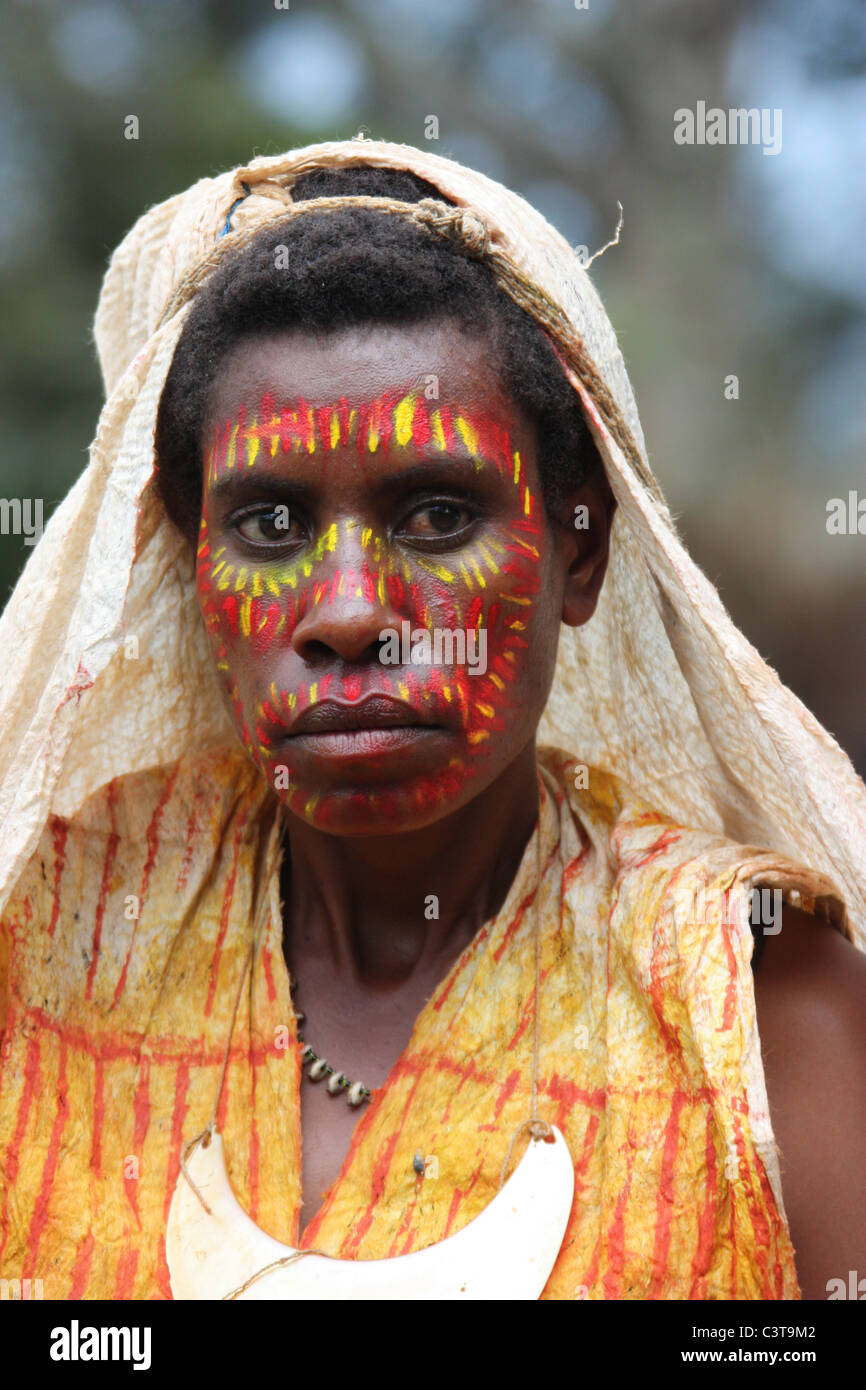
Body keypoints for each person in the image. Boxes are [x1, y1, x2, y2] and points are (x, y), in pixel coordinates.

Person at [0, 141, 864, 1302]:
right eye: (268, 523)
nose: (350, 615)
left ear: (579, 549)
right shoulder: (44, 948)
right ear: (186, 566)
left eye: (437, 513)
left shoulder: (768, 1020)